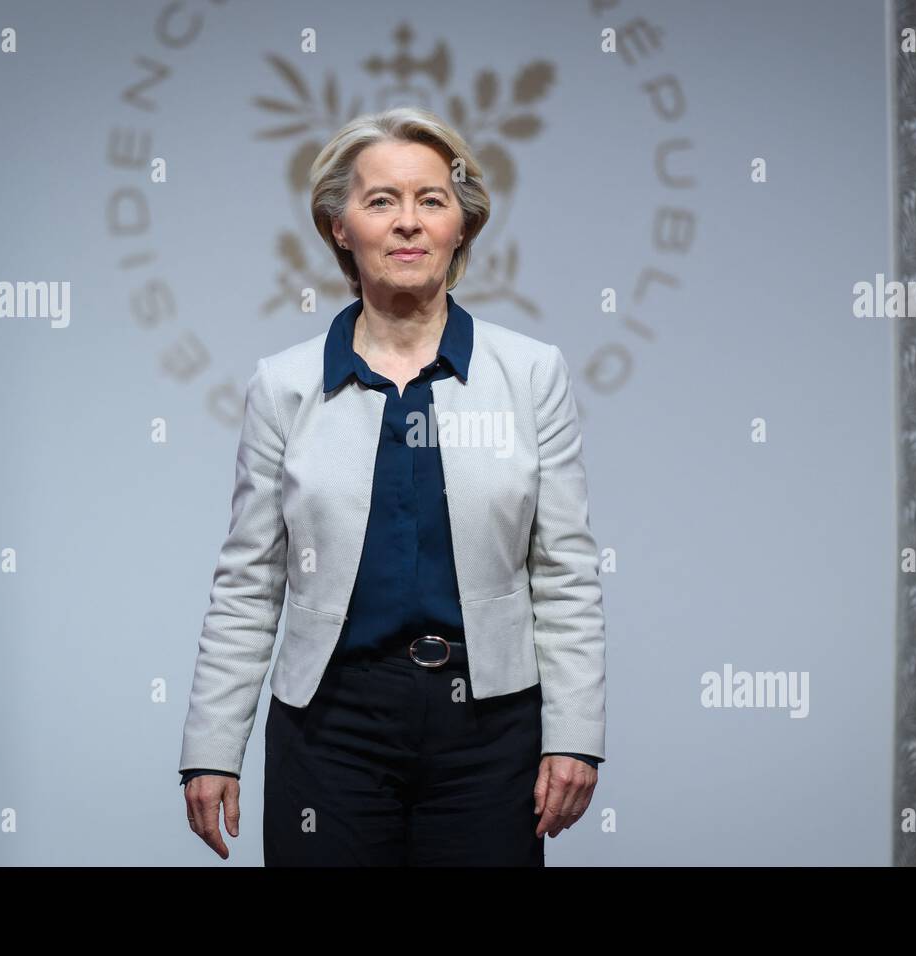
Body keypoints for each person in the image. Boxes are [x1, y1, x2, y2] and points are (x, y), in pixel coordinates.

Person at [179, 106, 605, 865]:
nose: (408, 223)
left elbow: (566, 573)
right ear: (340, 227)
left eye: (431, 200)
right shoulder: (284, 385)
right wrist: (212, 747)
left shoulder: (532, 374)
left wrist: (575, 736)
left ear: (461, 226)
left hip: (491, 728)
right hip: (330, 728)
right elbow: (248, 582)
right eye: (381, 201)